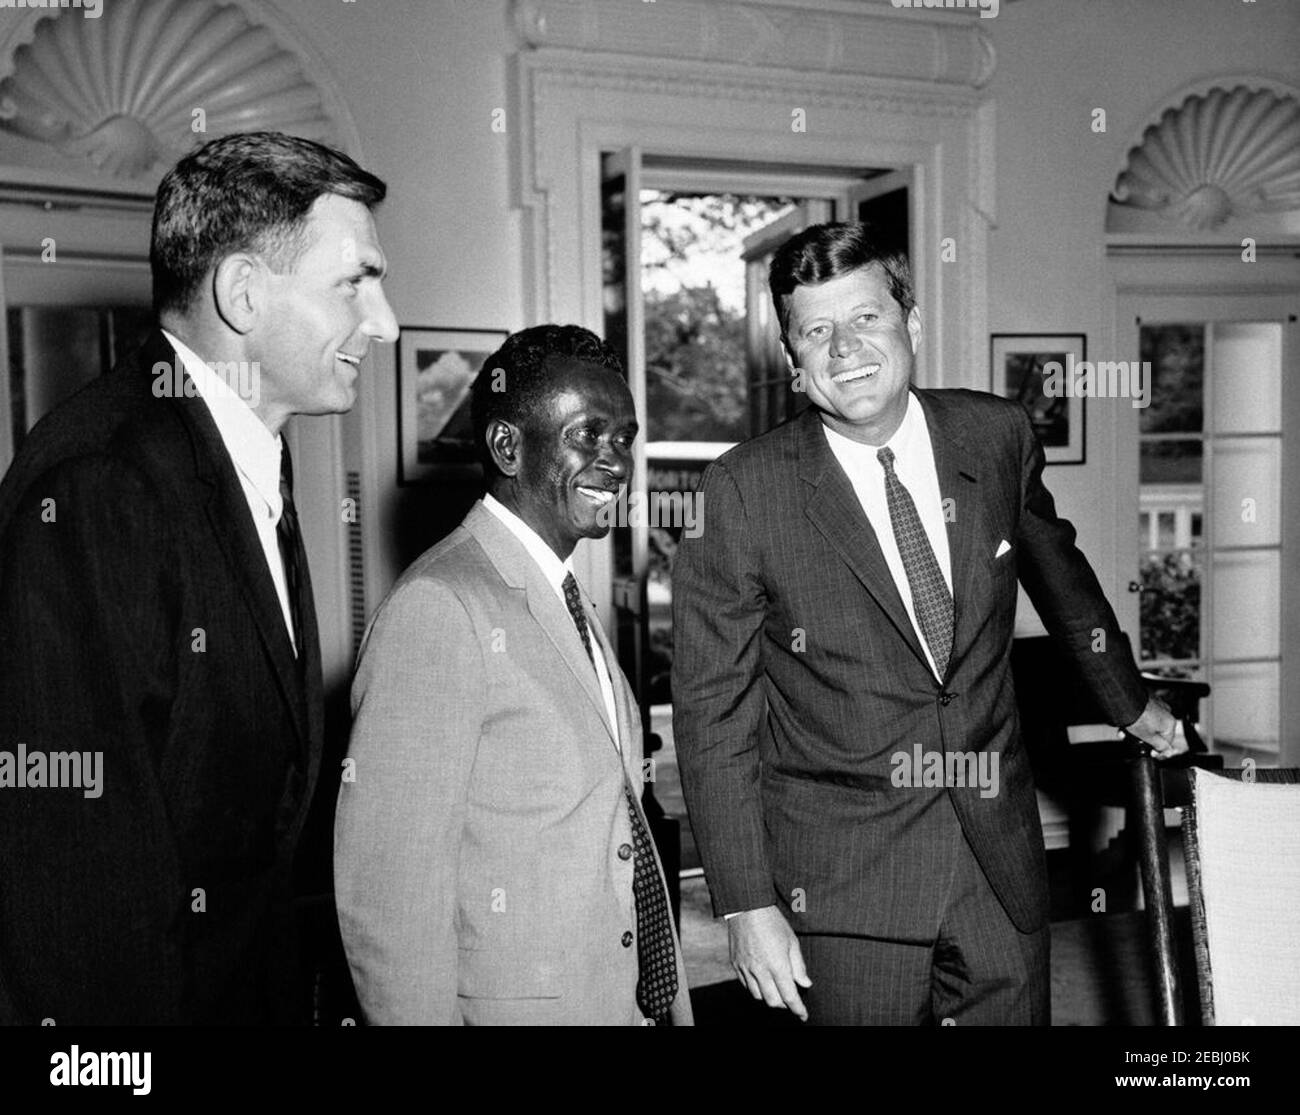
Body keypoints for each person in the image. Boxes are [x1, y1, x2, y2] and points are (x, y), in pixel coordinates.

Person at [671, 221, 1178, 1026]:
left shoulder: (996, 434)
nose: (844, 349)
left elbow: (1060, 573)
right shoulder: (739, 492)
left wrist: (1129, 701)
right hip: (843, 885)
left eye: (865, 317)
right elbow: (712, 717)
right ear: (791, 355)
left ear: (911, 322)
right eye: (817, 331)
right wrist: (744, 904)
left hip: (998, 861)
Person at [0, 131, 398, 1024]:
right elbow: (78, 902)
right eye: (355, 282)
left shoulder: (238, 457)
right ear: (244, 292)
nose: (386, 322)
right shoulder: (103, 483)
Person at [335, 324, 692, 1026]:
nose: (614, 461)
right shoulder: (438, 605)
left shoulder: (562, 593)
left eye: (624, 437)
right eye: (587, 436)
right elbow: (390, 897)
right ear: (508, 446)